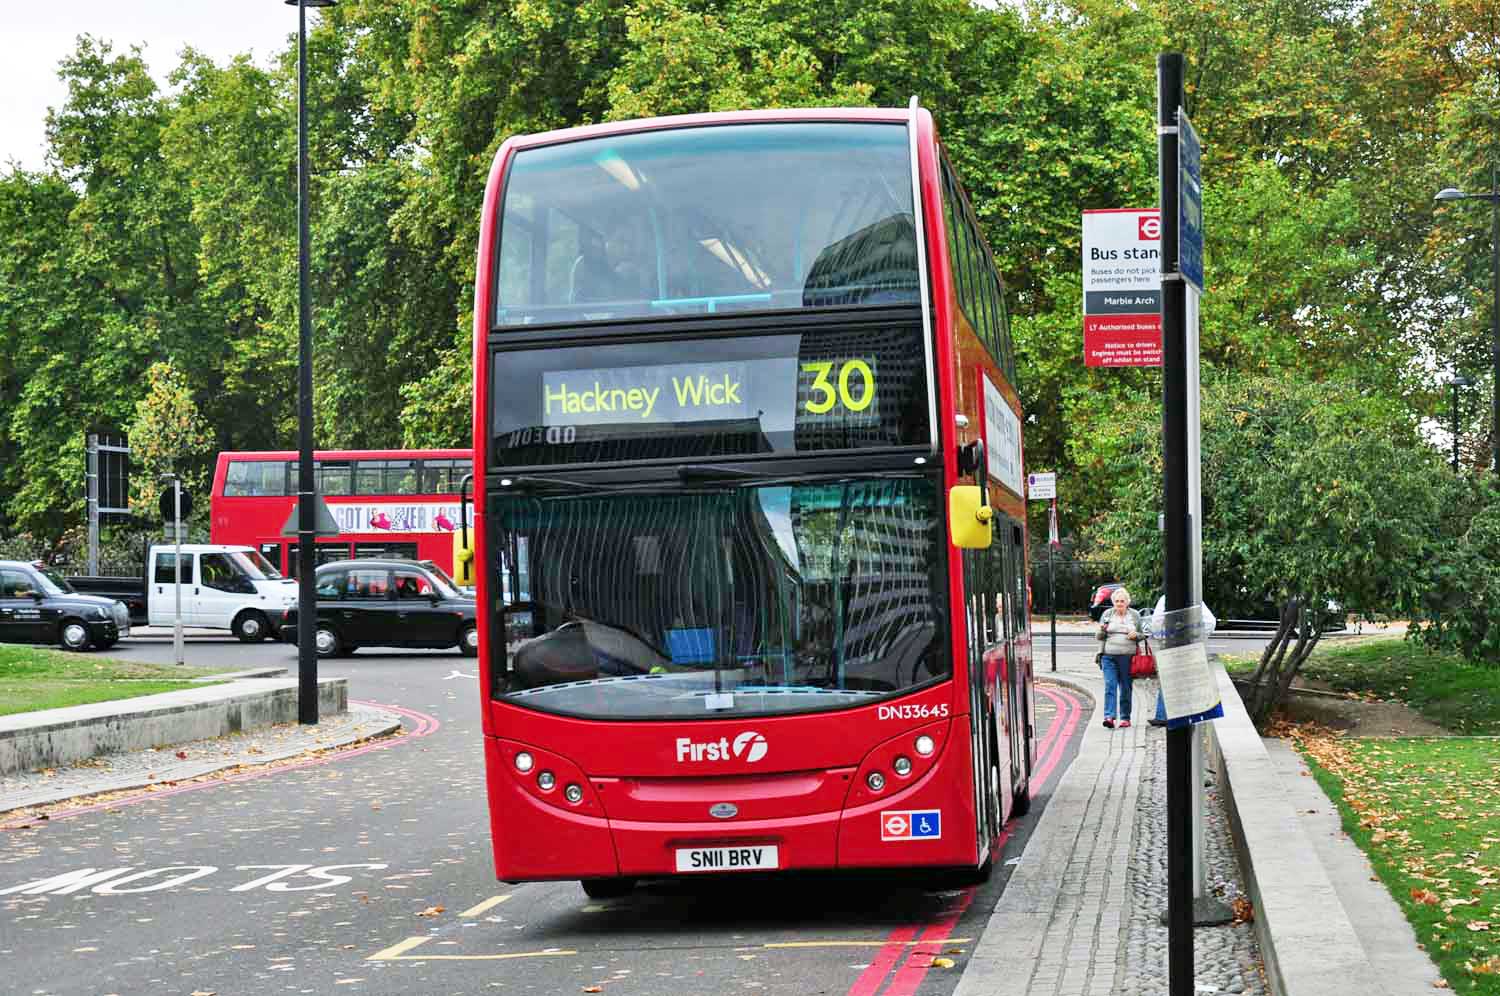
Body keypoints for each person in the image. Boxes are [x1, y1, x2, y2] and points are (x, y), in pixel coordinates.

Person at [1146, 597, 1217, 726]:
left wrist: (1163, 637)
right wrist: (1197, 636)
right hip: (1190, 644)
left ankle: (1163, 715)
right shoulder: (1194, 598)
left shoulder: (1166, 598)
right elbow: (1210, 622)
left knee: (1168, 679)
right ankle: (1190, 713)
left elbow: (1156, 622)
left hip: (1171, 643)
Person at [1095, 586, 1143, 729]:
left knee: (1126, 687)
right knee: (1110, 685)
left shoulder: (1134, 615)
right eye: (1116, 601)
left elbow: (1143, 635)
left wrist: (1136, 635)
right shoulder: (1107, 615)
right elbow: (1098, 636)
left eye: (1122, 601)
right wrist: (1102, 630)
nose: (1119, 604)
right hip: (1108, 656)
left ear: (1127, 602)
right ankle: (1109, 716)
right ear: (1113, 602)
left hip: (1128, 657)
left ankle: (1125, 717)